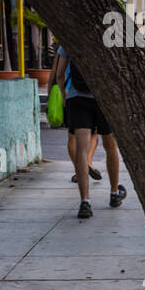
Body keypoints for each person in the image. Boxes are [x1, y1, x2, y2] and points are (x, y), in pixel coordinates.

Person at [51, 45, 124, 218]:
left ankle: (85, 201)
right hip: (104, 100)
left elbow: (59, 75)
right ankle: (114, 194)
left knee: (81, 151)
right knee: (110, 147)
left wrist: (64, 96)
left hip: (77, 99)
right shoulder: (107, 39)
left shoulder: (69, 40)